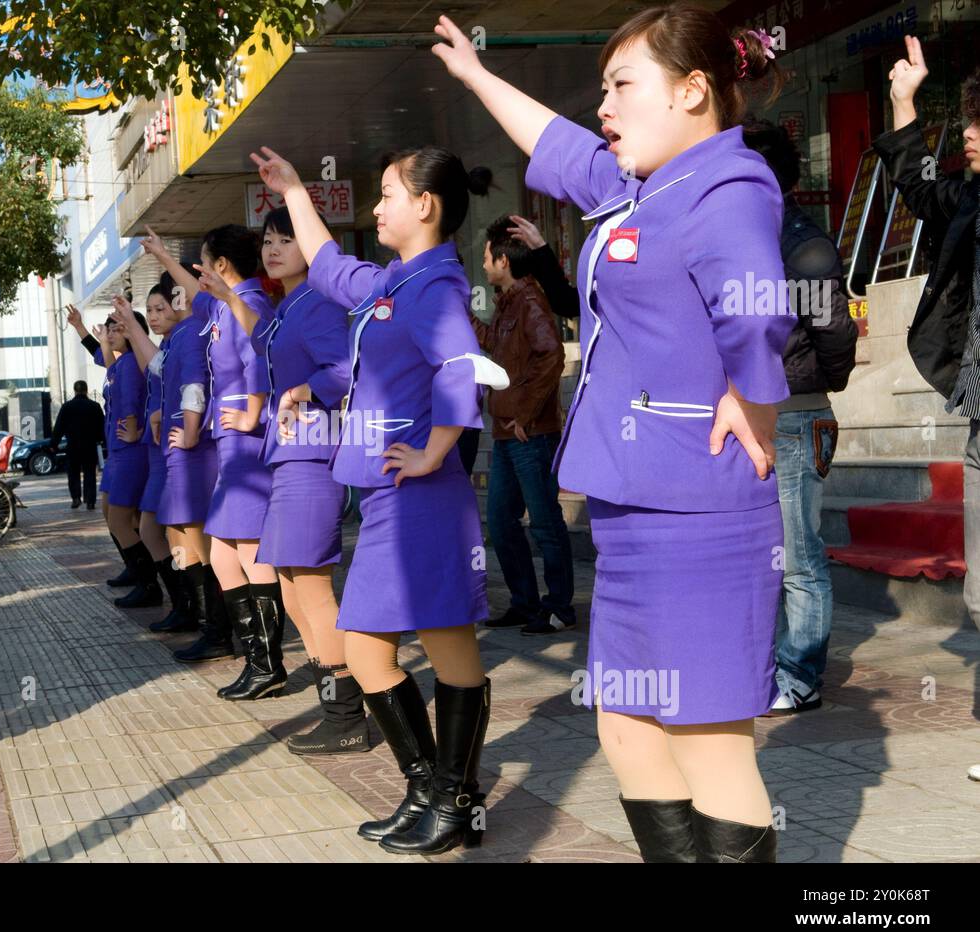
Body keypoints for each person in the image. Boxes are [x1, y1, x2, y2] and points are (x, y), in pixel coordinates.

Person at [434, 2, 792, 862]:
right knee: (627, 724)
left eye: (621, 86)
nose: (604, 105)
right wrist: (478, 77)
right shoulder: (641, 184)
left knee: (710, 740)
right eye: (603, 88)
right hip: (631, 509)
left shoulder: (725, 184)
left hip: (696, 507)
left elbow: (762, 306)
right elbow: (558, 145)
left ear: (694, 90)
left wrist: (759, 400)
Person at [250, 140, 499, 854]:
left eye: (388, 195)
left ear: (425, 204)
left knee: (438, 648)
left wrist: (436, 448)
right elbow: (326, 264)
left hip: (420, 494)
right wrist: (295, 186)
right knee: (372, 647)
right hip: (389, 495)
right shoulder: (392, 283)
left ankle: (449, 799)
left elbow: (461, 366)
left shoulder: (437, 286)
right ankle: (434, 790)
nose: (377, 206)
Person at [872, 36, 980, 784]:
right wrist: (905, 102)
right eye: (969, 118)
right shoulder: (971, 195)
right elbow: (917, 189)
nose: (969, 131)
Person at [743, 120, 858, 716]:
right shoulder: (749, 239)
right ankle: (769, 666)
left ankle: (802, 674)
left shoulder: (802, 246)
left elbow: (835, 332)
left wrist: (814, 384)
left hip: (794, 417)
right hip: (754, 418)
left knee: (798, 555)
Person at [250, 206, 367, 753]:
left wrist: (300, 392)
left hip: (314, 454)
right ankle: (337, 705)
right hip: (287, 457)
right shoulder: (285, 306)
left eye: (286, 239)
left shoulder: (318, 302)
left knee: (314, 591)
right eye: (268, 240)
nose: (273, 248)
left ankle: (347, 717)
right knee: (294, 593)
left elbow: (344, 370)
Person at [156, 225, 288, 696]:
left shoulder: (248, 303)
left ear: (223, 266)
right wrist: (165, 257)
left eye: (206, 262)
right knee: (224, 554)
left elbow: (261, 358)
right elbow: (199, 294)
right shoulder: (222, 303)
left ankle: (269, 665)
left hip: (246, 442)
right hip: (230, 443)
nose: (201, 274)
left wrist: (252, 411)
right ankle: (256, 658)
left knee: (249, 553)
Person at [475, 214, 575, 636]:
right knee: (500, 521)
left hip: (529, 432)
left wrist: (527, 413)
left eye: (486, 258)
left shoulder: (530, 301)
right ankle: (524, 602)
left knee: (547, 521)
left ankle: (559, 608)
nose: (483, 266)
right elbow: (495, 351)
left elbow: (551, 355)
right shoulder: (507, 304)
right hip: (507, 431)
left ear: (503, 260)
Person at [137, 231, 233, 659]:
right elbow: (159, 372)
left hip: (193, 448)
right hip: (178, 446)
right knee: (181, 535)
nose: (164, 309)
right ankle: (202, 619)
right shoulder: (180, 336)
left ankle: (218, 631)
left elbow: (195, 383)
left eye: (169, 299)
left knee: (199, 540)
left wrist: (191, 430)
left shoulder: (195, 329)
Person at [114, 276, 196, 633]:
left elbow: (184, 385)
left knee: (175, 534)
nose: (156, 315)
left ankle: (193, 609)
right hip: (158, 449)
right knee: (159, 531)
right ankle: (184, 604)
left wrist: (131, 325)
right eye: (149, 310)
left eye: (160, 308)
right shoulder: (167, 346)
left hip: (178, 449)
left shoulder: (185, 341)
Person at [76, 305, 159, 609]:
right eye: (109, 328)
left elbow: (131, 400)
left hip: (131, 451)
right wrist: (81, 329)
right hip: (118, 451)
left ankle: (148, 583)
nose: (109, 332)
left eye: (116, 328)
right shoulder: (119, 363)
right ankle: (138, 572)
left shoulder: (131, 365)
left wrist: (135, 430)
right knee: (116, 515)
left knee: (121, 519)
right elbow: (104, 360)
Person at [49, 379, 104, 509]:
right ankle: (90, 501)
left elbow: (59, 427)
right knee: (89, 473)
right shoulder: (94, 406)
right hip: (90, 446)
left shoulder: (67, 407)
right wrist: (101, 440)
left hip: (73, 446)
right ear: (86, 390)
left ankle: (75, 498)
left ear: (75, 390)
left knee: (73, 473)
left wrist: (54, 444)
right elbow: (102, 426)